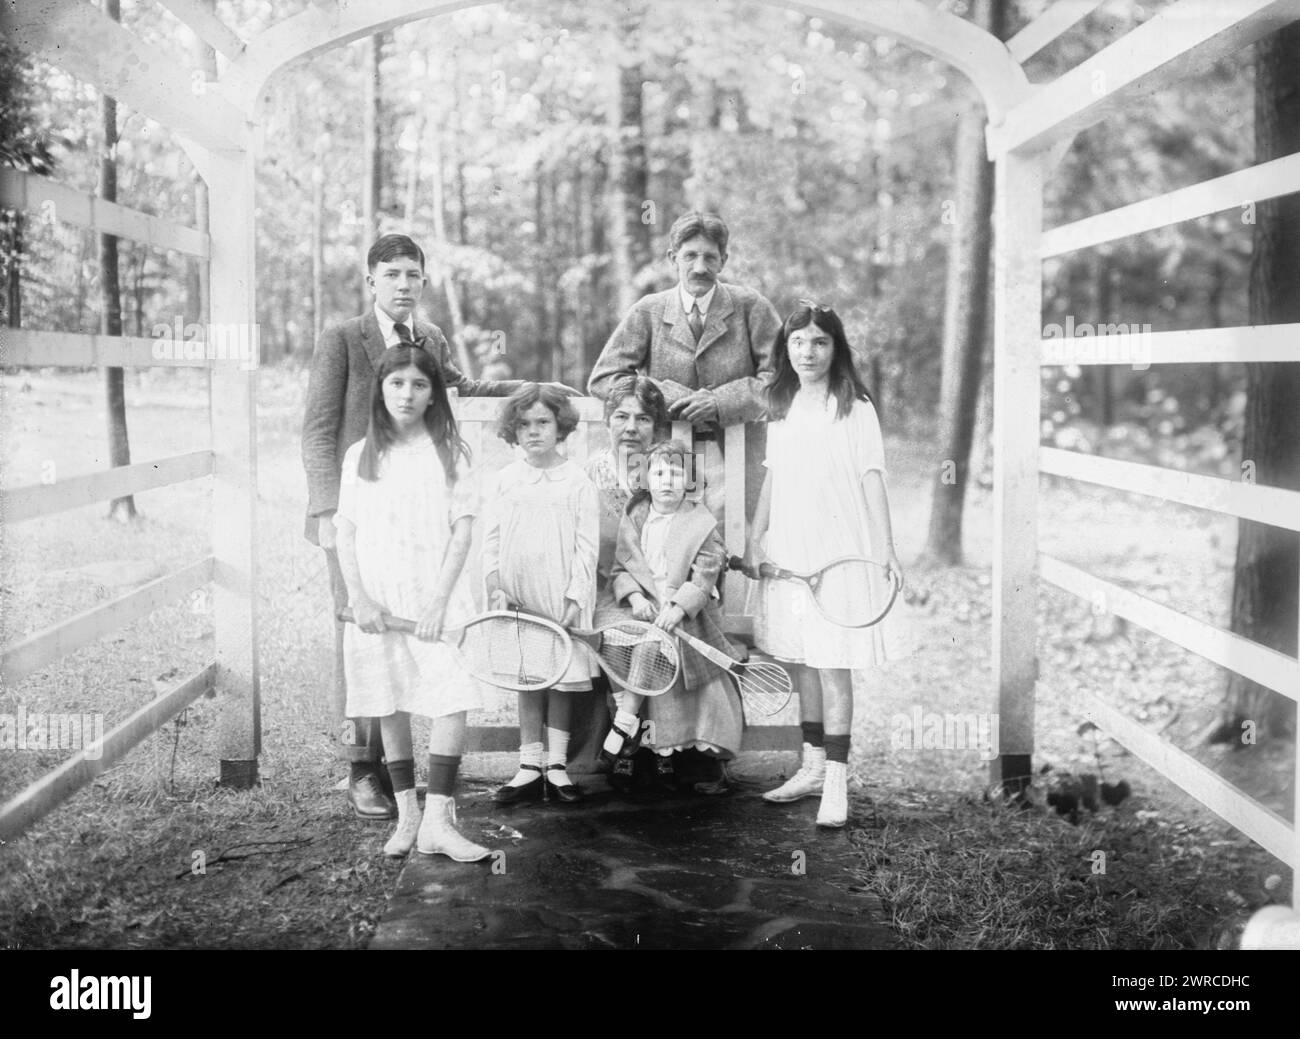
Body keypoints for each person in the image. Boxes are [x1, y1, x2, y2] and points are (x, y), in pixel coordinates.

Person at [303, 233, 574, 820]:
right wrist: (327, 512)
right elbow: (318, 430)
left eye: (413, 275)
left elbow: (458, 388)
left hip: (420, 517)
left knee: (428, 635)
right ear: (371, 278)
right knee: (364, 634)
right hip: (360, 510)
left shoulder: (429, 338)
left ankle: (423, 783)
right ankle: (362, 770)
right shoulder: (344, 339)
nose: (404, 285)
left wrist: (530, 391)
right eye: (392, 274)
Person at [742, 301, 904, 828]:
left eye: (819, 342)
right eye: (797, 343)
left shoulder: (854, 405)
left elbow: (872, 476)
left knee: (833, 661)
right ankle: (811, 767)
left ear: (836, 348)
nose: (808, 353)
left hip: (838, 548)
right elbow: (773, 474)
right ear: (785, 350)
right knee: (802, 660)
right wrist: (756, 533)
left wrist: (886, 549)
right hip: (790, 545)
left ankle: (837, 781)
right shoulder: (782, 403)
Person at [333, 345, 490, 862]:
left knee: (451, 697)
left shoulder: (450, 451)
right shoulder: (361, 455)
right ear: (381, 388)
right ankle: (408, 817)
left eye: (419, 385)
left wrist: (439, 605)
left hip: (435, 599)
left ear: (433, 394)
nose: (407, 393)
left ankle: (440, 821)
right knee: (389, 699)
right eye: (397, 383)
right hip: (379, 601)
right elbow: (346, 532)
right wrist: (360, 598)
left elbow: (462, 533)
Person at [587, 211, 780, 522]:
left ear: (724, 260)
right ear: (672, 258)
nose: (700, 267)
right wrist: (662, 395)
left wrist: (720, 401)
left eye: (710, 257)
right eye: (690, 256)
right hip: (664, 458)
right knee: (663, 542)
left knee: (733, 550)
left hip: (735, 454)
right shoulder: (649, 310)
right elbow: (604, 378)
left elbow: (781, 382)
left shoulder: (751, 307)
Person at [484, 383, 600, 805]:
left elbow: (588, 547)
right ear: (513, 431)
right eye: (524, 424)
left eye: (543, 423)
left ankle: (556, 766)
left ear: (560, 426)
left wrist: (576, 596)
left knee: (561, 679)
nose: (533, 431)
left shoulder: (577, 481)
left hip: (559, 597)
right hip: (519, 596)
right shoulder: (506, 481)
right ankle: (529, 765)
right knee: (528, 677)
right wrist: (495, 583)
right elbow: (491, 539)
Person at [608, 440, 744, 796]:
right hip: (643, 611)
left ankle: (689, 753)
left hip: (686, 616)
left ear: (689, 481)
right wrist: (636, 596)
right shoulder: (636, 517)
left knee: (686, 669)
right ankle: (648, 754)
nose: (667, 480)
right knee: (632, 647)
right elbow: (621, 567)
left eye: (676, 472)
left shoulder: (698, 522)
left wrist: (679, 607)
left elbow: (706, 573)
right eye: (659, 472)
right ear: (646, 479)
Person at [583, 377, 670, 791]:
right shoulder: (592, 472)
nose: (631, 427)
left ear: (657, 426)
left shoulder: (668, 470)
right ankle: (631, 741)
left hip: (661, 590)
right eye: (621, 416)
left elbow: (690, 530)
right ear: (607, 422)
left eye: (643, 418)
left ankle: (645, 743)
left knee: (657, 634)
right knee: (619, 634)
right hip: (607, 590)